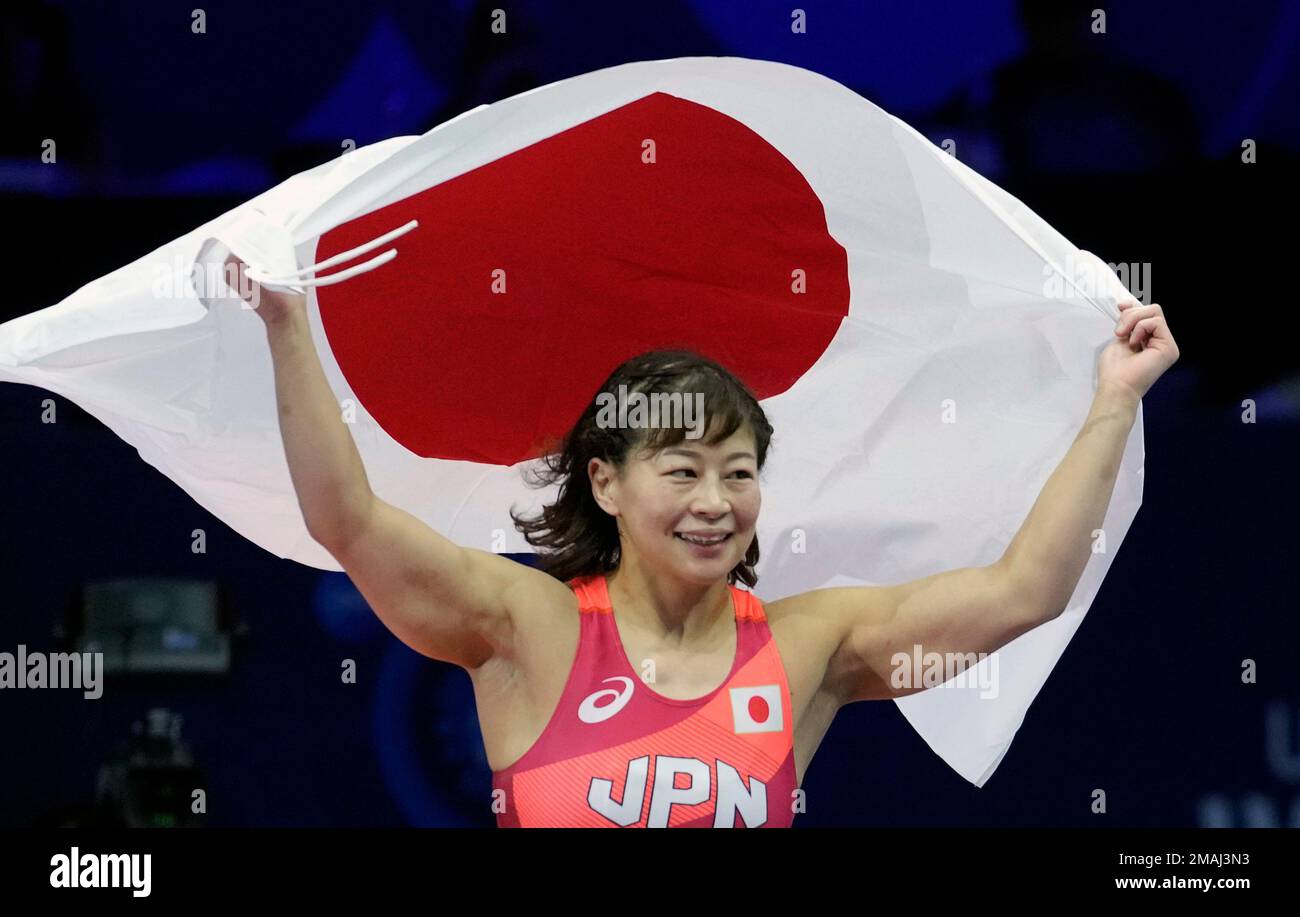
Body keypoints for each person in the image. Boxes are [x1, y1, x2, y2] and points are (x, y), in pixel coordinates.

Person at [225, 253, 1179, 827]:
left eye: (739, 471)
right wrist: (286, 322)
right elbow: (346, 517)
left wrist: (1114, 399)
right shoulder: (528, 627)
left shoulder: (810, 646)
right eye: (682, 471)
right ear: (605, 482)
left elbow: (1026, 590)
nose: (716, 501)